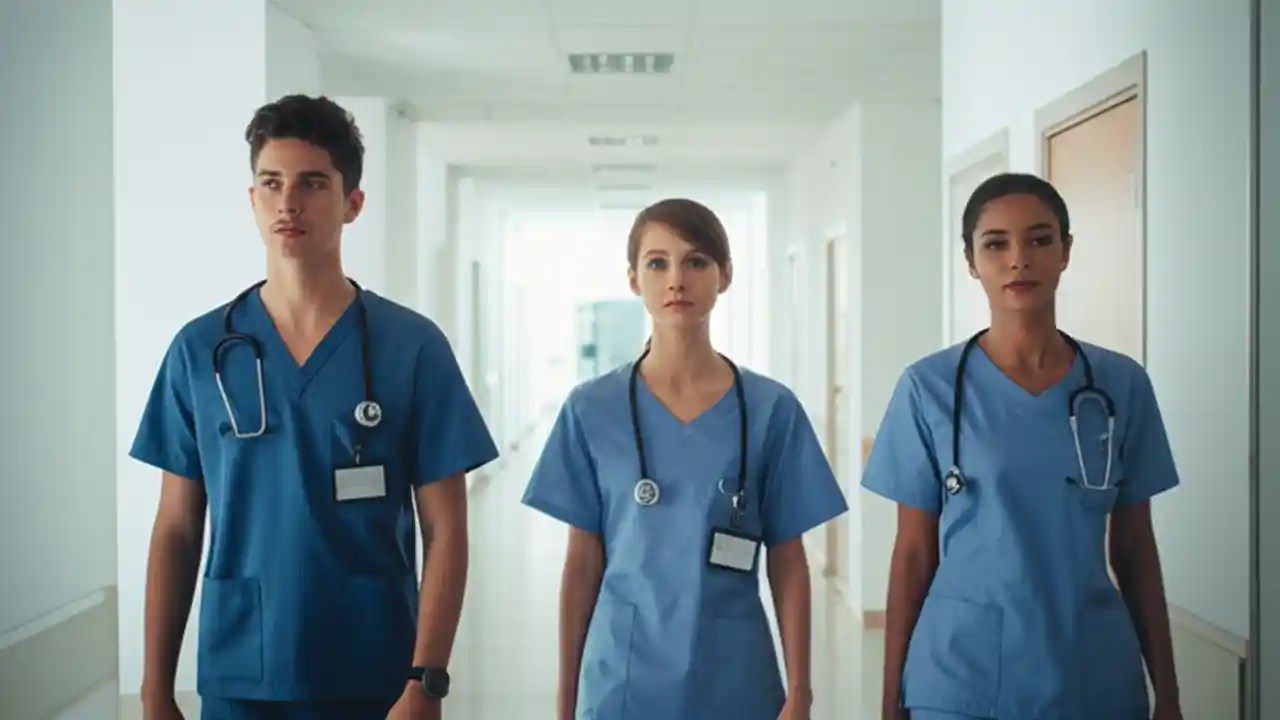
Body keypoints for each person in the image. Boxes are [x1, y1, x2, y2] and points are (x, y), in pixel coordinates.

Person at [130, 95, 499, 720]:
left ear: (353, 202)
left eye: (312, 183)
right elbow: (176, 528)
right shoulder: (202, 350)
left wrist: (426, 679)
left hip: (375, 669)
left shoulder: (410, 347)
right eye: (270, 184)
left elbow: (446, 529)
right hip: (242, 666)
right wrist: (153, 690)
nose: (287, 203)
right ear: (251, 200)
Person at [862, 172, 1183, 720]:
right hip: (959, 678)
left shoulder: (1120, 385)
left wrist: (1169, 694)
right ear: (970, 260)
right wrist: (890, 698)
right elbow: (913, 554)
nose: (1019, 259)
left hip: (1093, 671)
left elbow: (1134, 548)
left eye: (1040, 239)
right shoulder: (930, 388)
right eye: (996, 244)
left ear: (1066, 251)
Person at [521, 198, 849, 720]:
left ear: (725, 276)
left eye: (696, 261)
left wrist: (801, 692)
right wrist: (565, 705)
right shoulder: (591, 409)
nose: (677, 279)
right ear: (634, 279)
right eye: (658, 263)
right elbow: (582, 566)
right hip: (622, 674)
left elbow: (789, 561)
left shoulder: (770, 409)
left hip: (735, 670)